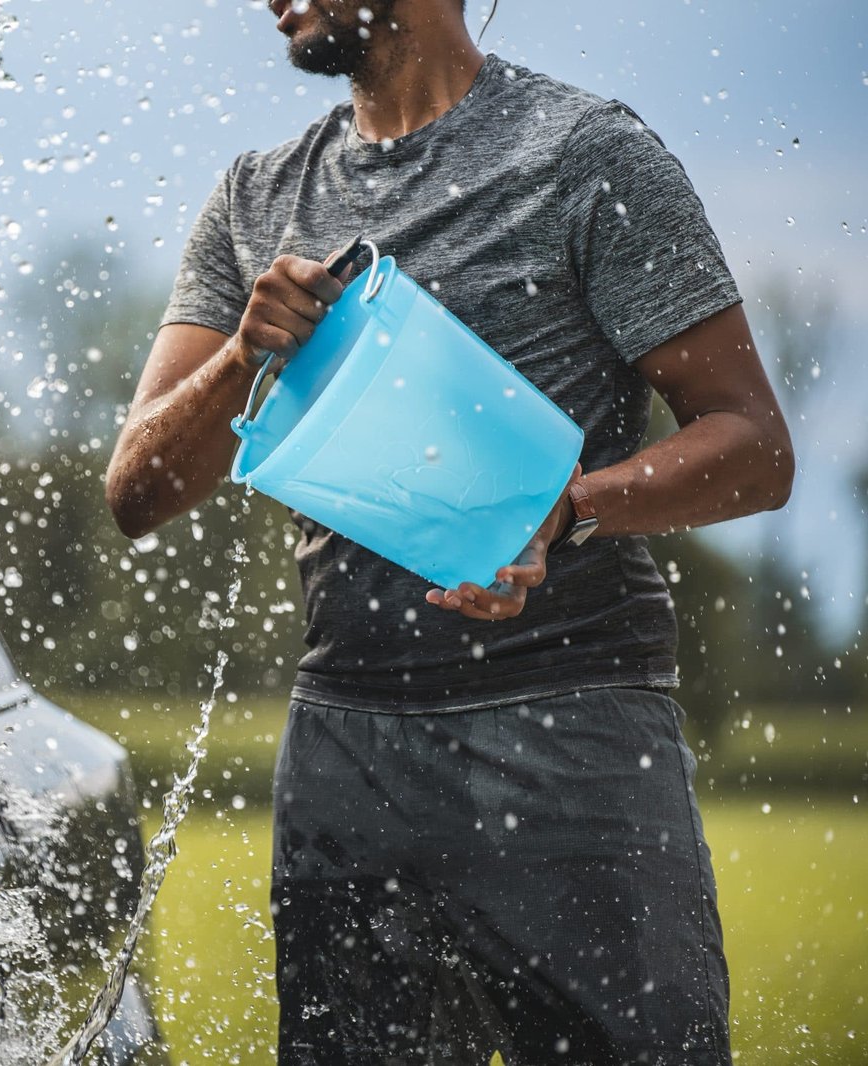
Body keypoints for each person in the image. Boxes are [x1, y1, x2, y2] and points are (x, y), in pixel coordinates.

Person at [103, 1, 795, 1062]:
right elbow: (136, 489)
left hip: (572, 749)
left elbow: (753, 445)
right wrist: (245, 353)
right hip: (348, 758)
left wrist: (564, 510)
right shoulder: (257, 196)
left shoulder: (580, 154)